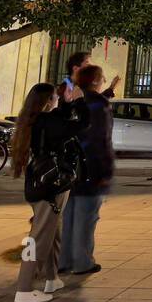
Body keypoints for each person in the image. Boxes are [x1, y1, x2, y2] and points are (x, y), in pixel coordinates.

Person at [10, 80, 89, 302]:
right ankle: (24, 289)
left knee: (54, 229)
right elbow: (81, 124)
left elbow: (62, 121)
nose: (58, 99)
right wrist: (80, 101)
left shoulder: (34, 120)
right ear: (48, 102)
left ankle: (51, 277)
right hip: (51, 185)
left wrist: (67, 102)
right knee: (38, 236)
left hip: (41, 182)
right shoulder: (47, 122)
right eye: (55, 97)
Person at [59, 64, 114, 276]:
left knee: (68, 216)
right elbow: (101, 140)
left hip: (69, 168)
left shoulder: (71, 100)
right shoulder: (99, 105)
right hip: (90, 168)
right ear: (94, 81)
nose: (103, 80)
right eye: (102, 78)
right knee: (86, 218)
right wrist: (104, 172)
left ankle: (63, 260)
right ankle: (82, 262)